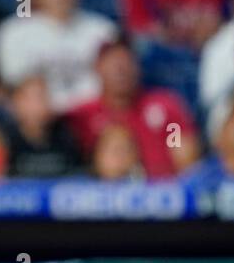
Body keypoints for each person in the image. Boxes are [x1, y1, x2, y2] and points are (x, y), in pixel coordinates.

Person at [0, 0, 116, 114]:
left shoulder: (103, 30)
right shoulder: (13, 31)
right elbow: (15, 85)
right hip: (39, 118)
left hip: (94, 115)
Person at [67, 38, 199, 179]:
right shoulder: (83, 116)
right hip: (103, 192)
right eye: (113, 65)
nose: (120, 71)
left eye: (126, 63)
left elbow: (185, 158)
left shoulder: (166, 109)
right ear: (97, 68)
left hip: (162, 189)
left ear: (138, 67)